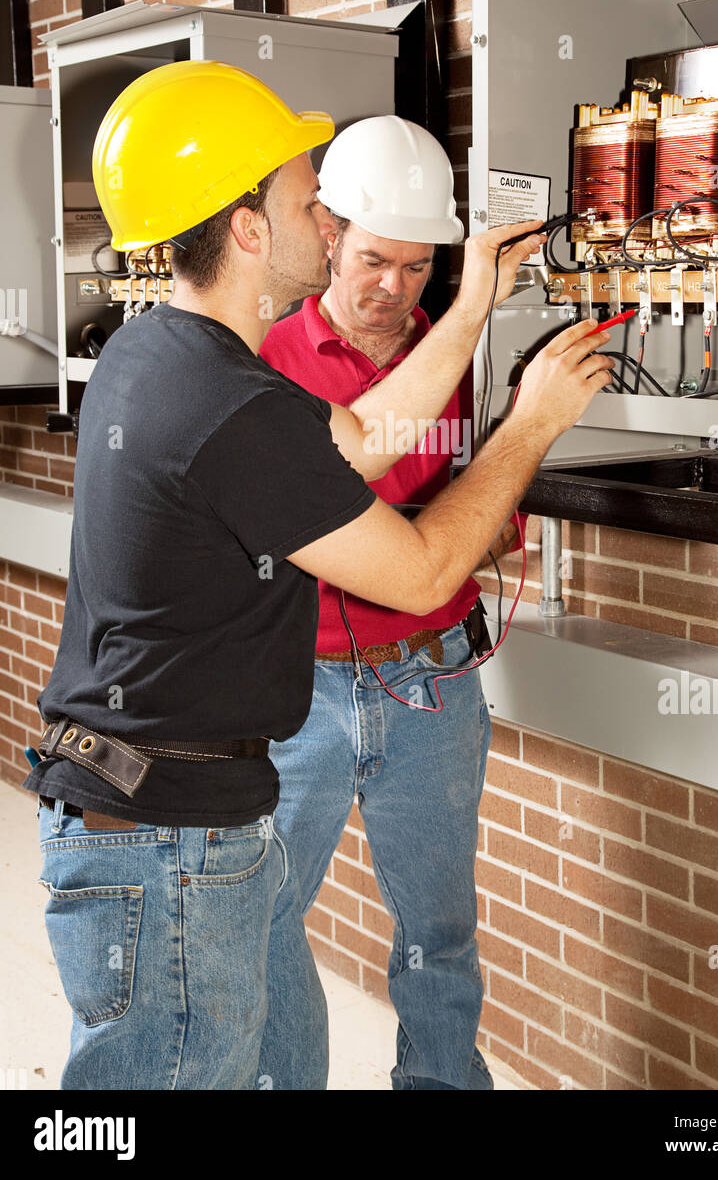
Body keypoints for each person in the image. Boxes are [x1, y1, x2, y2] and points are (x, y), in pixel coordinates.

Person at [24, 60, 613, 1090]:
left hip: (193, 822)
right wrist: (529, 424)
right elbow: (422, 562)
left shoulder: (158, 356)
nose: (329, 224)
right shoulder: (232, 408)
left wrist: (471, 308)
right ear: (248, 228)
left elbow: (354, 443)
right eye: (309, 199)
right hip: (167, 844)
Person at [260, 116, 521, 1090]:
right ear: (327, 231)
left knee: (439, 930)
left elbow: (491, 515)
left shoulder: (466, 367)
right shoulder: (267, 365)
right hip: (301, 692)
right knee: (267, 919)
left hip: (435, 684)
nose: (392, 287)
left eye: (418, 268)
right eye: (375, 259)